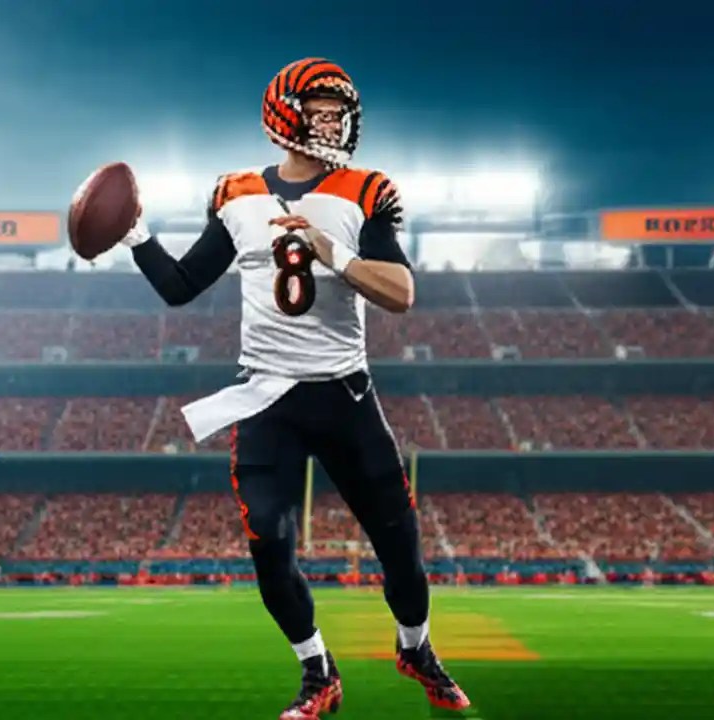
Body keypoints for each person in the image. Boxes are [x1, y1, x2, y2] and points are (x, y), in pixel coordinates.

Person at [116, 58, 471, 719]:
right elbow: (180, 286)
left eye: (341, 110)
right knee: (270, 546)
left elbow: (402, 293)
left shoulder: (366, 189)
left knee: (402, 551)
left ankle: (415, 648)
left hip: (345, 395)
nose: (337, 121)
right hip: (268, 400)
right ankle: (318, 672)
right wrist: (135, 233)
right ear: (286, 115)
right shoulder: (236, 192)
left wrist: (332, 252)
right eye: (323, 110)